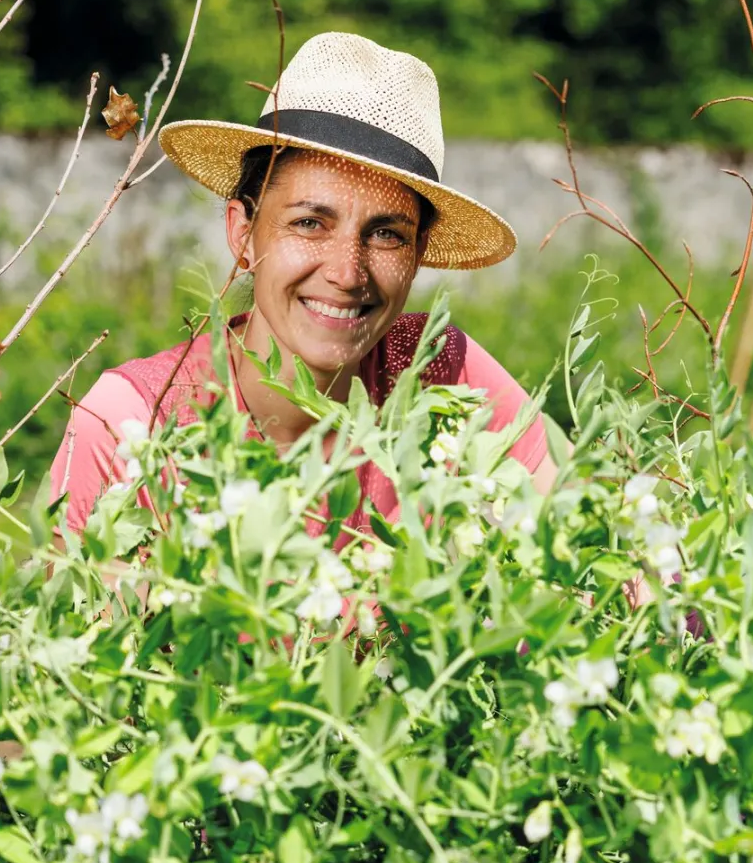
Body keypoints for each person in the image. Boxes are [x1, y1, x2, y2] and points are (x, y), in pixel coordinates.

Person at [48, 32, 558, 539]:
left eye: (386, 234)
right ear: (242, 233)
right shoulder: (137, 427)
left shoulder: (442, 374)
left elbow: (600, 559)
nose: (347, 273)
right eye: (310, 223)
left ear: (419, 256)